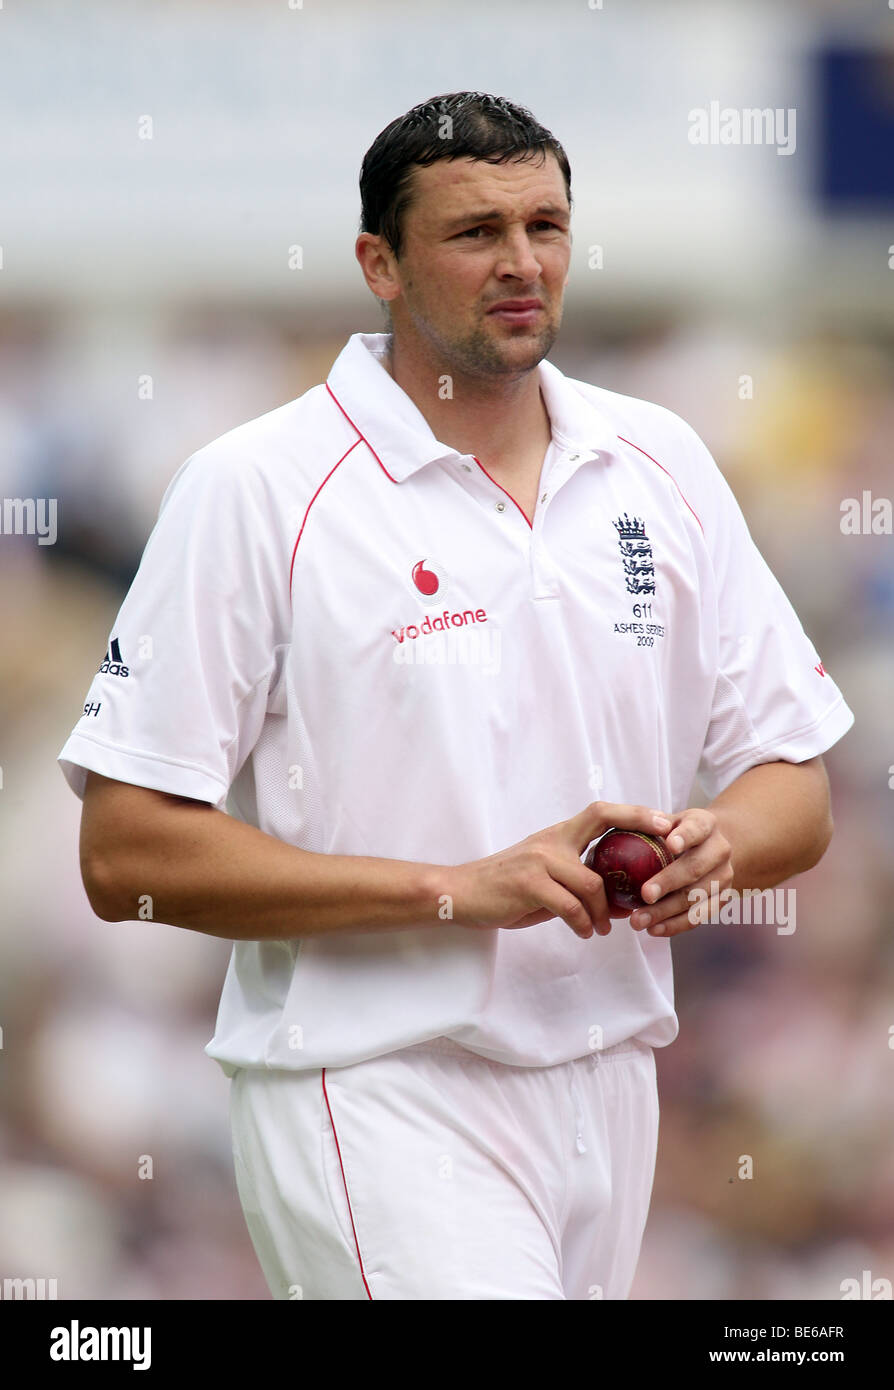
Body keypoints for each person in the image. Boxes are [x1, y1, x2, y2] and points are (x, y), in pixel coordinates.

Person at [59, 92, 854, 1301]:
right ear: (380, 263)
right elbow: (125, 855)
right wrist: (451, 891)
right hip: (377, 1082)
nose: (523, 262)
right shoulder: (255, 488)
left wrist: (718, 844)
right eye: (476, 232)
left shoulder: (661, 462)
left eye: (546, 225)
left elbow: (795, 785)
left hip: (609, 1081)